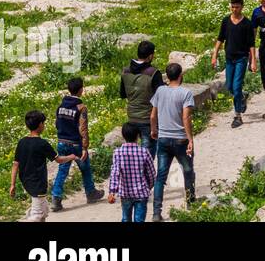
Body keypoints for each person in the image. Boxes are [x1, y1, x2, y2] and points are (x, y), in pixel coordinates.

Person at [10, 110, 78, 223]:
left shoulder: (22, 142)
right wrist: (72, 156)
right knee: (37, 215)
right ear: (41, 124)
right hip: (38, 183)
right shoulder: (42, 144)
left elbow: (16, 164)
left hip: (26, 181)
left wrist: (12, 184)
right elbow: (59, 160)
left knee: (44, 210)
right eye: (43, 123)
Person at [150, 62, 195, 221]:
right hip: (181, 139)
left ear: (167, 76)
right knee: (188, 171)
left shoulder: (160, 91)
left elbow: (153, 116)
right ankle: (191, 204)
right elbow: (186, 117)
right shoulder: (186, 93)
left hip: (163, 139)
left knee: (160, 177)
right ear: (180, 75)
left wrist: (154, 130)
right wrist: (190, 139)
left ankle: (156, 212)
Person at [50, 76, 104, 211]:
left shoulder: (60, 107)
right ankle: (91, 193)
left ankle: (56, 198)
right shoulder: (81, 107)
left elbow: (57, 123)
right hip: (75, 144)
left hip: (62, 142)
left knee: (62, 171)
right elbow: (83, 128)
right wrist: (85, 147)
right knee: (85, 168)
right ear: (81, 90)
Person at [211, 0, 254, 128]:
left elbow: (251, 44)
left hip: (242, 58)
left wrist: (253, 61)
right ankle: (242, 96)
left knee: (236, 86)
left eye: (237, 7)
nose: (234, 9)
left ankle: (237, 116)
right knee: (229, 87)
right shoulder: (226, 21)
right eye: (233, 7)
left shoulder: (247, 23)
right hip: (229, 59)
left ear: (242, 7)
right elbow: (220, 39)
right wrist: (214, 55)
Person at [120, 40, 164, 158]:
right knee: (147, 156)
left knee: (132, 155)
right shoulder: (153, 73)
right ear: (150, 56)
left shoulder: (125, 71)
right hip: (148, 119)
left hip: (131, 117)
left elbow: (123, 94)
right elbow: (162, 97)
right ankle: (144, 176)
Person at [107, 122, 156, 223]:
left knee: (126, 218)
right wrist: (149, 186)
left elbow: (115, 173)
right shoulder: (144, 152)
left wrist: (112, 191)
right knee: (139, 220)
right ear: (138, 136)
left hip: (125, 193)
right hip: (141, 193)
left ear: (123, 136)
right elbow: (151, 173)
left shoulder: (118, 152)